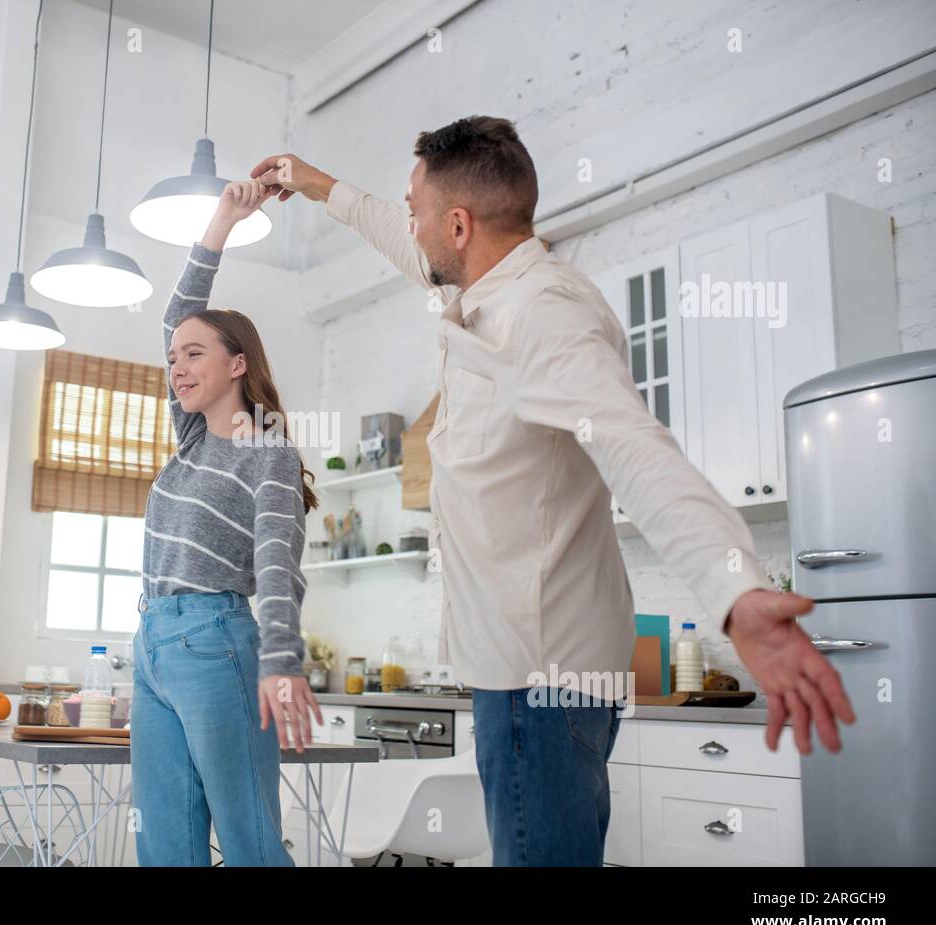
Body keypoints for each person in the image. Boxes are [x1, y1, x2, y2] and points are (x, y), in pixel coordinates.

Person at [250, 116, 855, 866]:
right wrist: (313, 184)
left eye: (418, 209)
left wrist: (737, 590)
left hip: (540, 683)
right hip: (527, 675)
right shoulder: (484, 281)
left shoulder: (543, 314)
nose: (408, 222)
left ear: (460, 224)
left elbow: (634, 445)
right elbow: (397, 234)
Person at [130, 179, 324, 867]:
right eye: (174, 356)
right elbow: (178, 314)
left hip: (217, 642)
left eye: (195, 354)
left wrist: (281, 662)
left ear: (236, 364)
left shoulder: (266, 454)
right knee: (164, 840)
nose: (177, 365)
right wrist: (221, 222)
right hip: (153, 642)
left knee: (248, 840)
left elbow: (277, 564)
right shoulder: (192, 440)